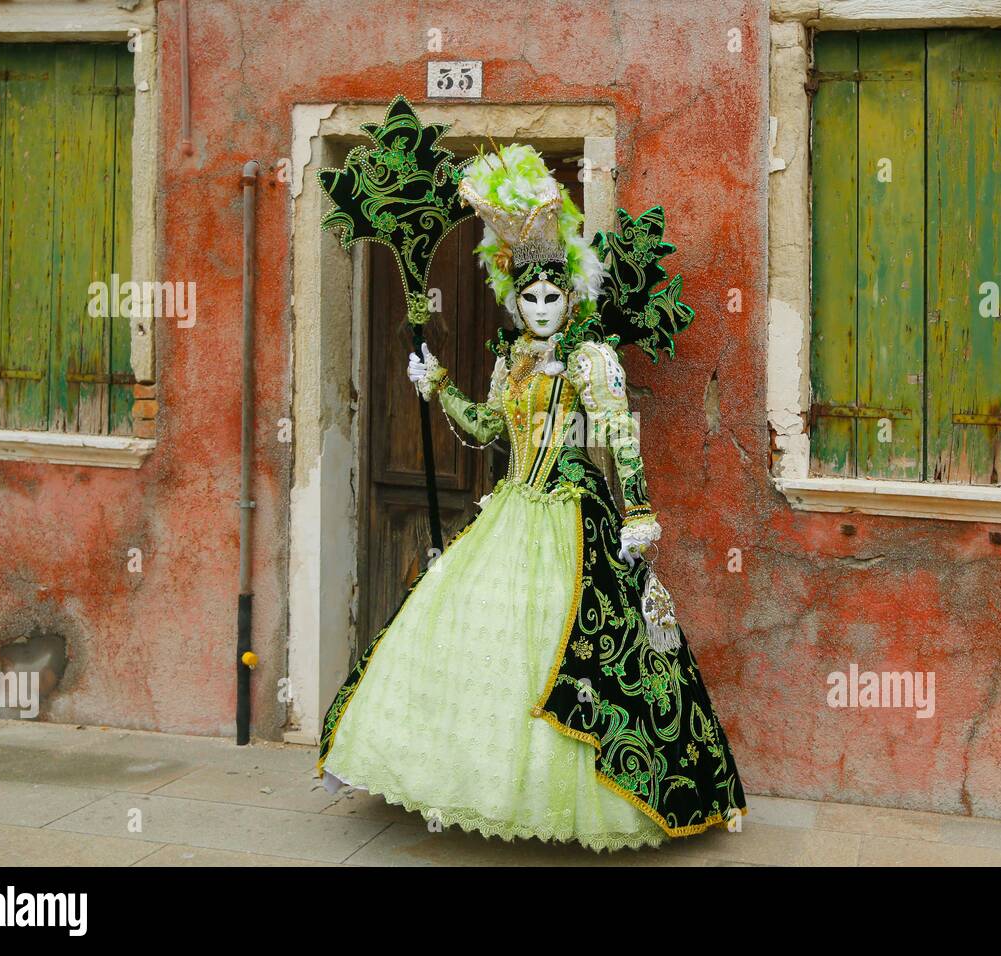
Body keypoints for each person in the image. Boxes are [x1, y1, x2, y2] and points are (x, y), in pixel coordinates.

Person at [317, 140, 746, 852]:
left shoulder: (590, 357)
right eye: (529, 297)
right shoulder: (512, 359)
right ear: (514, 299)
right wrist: (442, 388)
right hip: (510, 510)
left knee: (586, 660)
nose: (541, 307)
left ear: (570, 295)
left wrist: (638, 511)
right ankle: (463, 782)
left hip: (573, 516)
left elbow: (619, 436)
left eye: (553, 296)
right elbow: (491, 431)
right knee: (459, 639)